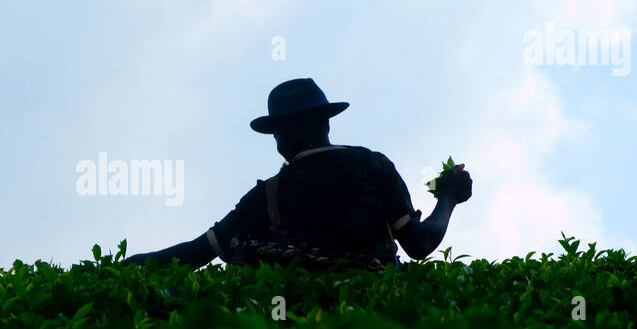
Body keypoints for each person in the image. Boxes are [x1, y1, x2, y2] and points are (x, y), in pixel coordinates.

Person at [124, 78, 472, 269]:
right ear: (325, 122)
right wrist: (448, 197)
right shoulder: (372, 165)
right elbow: (419, 244)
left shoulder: (265, 198)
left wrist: (131, 266)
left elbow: (193, 254)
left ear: (281, 137)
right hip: (378, 317)